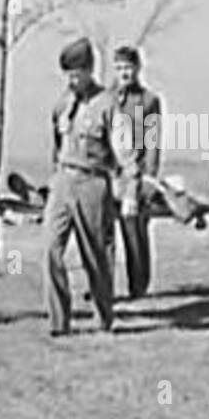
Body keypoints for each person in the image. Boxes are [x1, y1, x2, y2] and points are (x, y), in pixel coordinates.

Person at [42, 38, 129, 336]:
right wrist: (54, 180)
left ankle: (104, 315)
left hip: (94, 183)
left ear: (90, 70)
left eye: (77, 74)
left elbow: (124, 152)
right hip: (64, 180)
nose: (71, 80)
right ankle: (59, 321)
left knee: (96, 254)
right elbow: (56, 145)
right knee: (50, 249)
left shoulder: (108, 104)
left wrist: (128, 191)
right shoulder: (62, 104)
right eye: (67, 74)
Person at [109, 46, 163, 299]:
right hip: (108, 172)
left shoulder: (148, 101)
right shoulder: (105, 98)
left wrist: (149, 177)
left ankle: (138, 285)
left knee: (134, 229)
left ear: (138, 68)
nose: (124, 73)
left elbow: (152, 142)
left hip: (137, 172)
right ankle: (103, 286)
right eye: (119, 68)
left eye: (128, 68)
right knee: (104, 231)